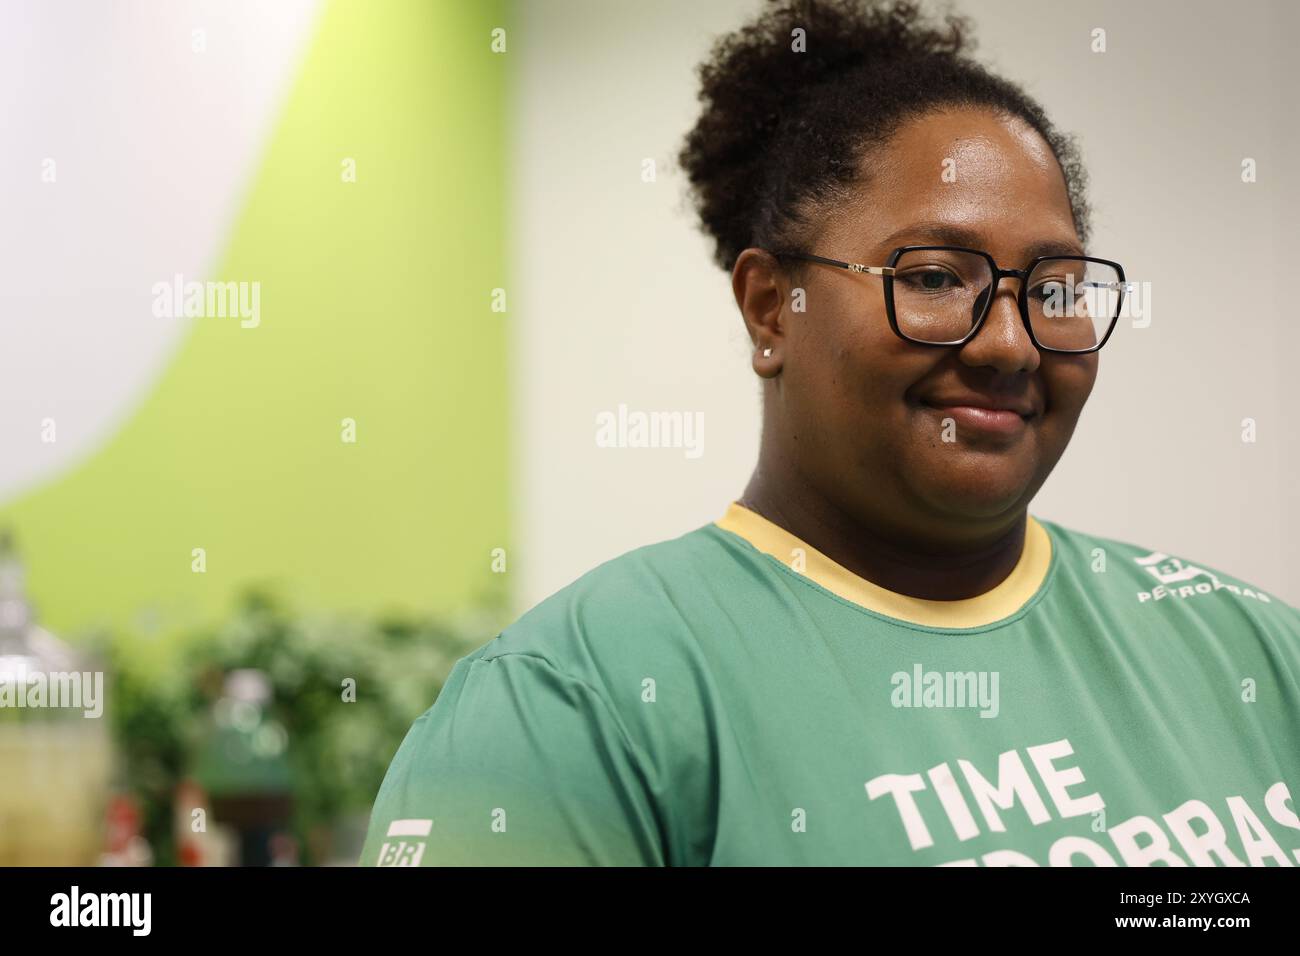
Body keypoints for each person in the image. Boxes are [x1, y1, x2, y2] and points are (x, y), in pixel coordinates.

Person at [361, 0, 1300, 867]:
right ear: (772, 308)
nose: (1010, 344)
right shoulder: (571, 707)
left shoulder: (1249, 651)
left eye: (1051, 290)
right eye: (936, 278)